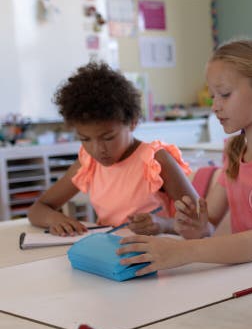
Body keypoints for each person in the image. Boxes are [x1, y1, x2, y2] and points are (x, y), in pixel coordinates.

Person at [118, 38, 252, 272]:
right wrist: (196, 227)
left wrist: (184, 251)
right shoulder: (235, 150)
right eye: (213, 96)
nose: (215, 106)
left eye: (224, 94)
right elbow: (210, 223)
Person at [28, 62, 196, 236]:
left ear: (132, 122)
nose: (97, 149)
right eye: (85, 139)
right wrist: (56, 219)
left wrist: (164, 225)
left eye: (108, 138)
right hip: (112, 253)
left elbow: (201, 224)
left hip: (158, 253)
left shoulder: (155, 161)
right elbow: (37, 210)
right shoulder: (88, 164)